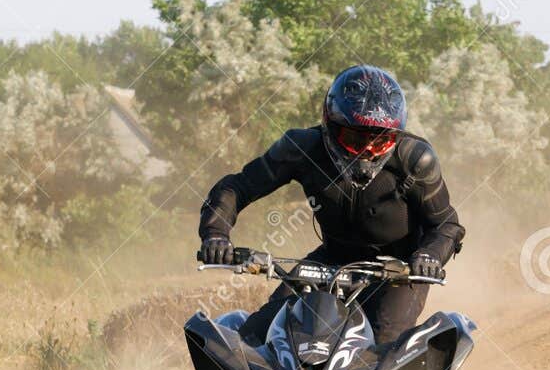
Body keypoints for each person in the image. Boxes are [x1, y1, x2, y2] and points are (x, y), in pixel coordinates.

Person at [197, 64, 464, 347]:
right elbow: (237, 187)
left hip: (400, 270)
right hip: (332, 258)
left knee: (386, 345)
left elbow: (446, 224)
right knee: (260, 335)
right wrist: (215, 234)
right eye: (354, 139)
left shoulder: (416, 158)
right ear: (330, 125)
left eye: (379, 141)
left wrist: (429, 256)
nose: (366, 153)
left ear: (395, 135)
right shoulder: (300, 148)